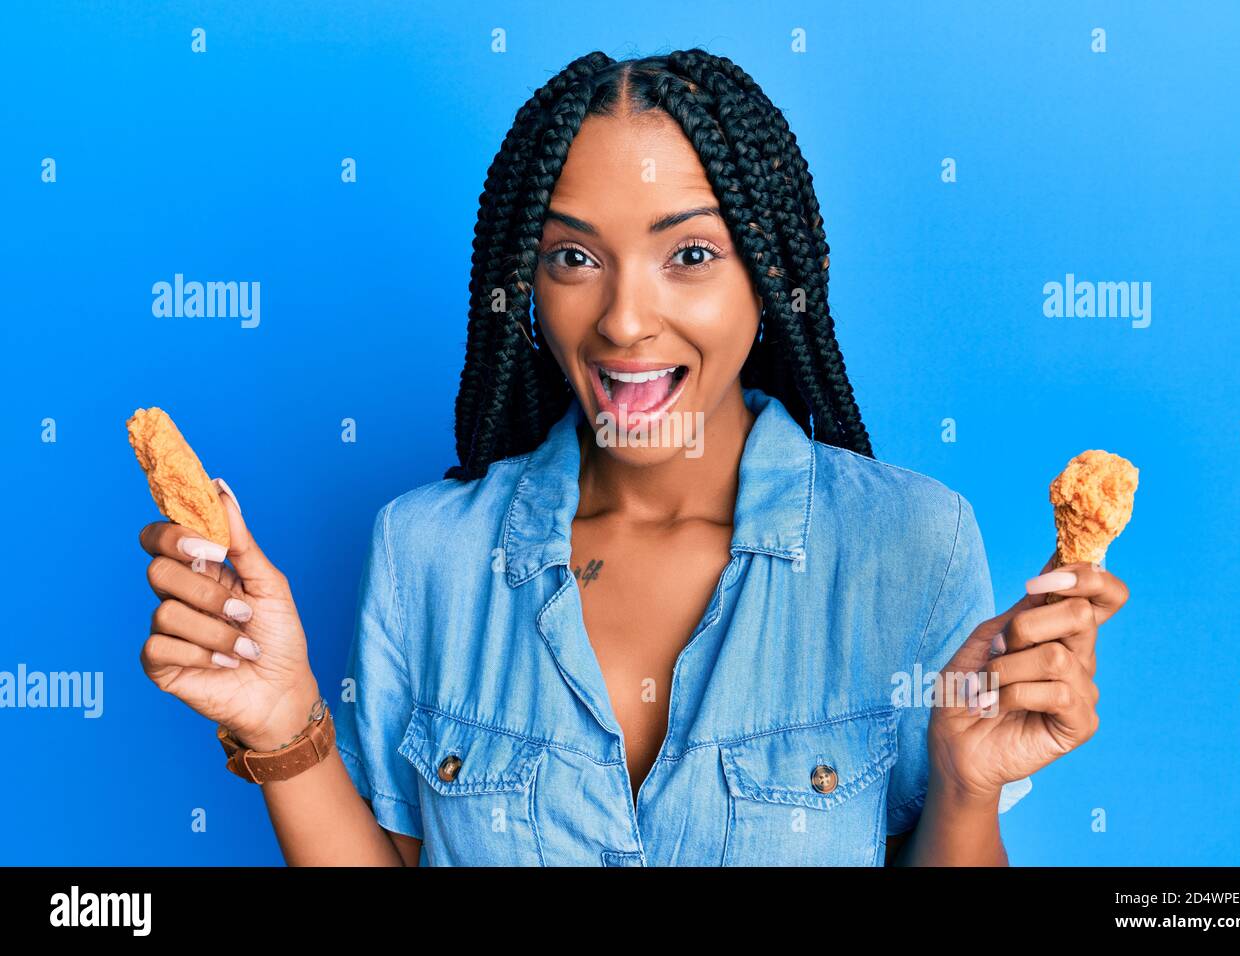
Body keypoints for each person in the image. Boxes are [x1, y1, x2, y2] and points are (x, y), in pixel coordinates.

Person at [137, 49, 1128, 866]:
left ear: (769, 277)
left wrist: (966, 786)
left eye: (688, 255)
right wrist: (281, 725)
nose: (622, 318)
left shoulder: (912, 542)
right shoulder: (426, 551)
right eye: (573, 257)